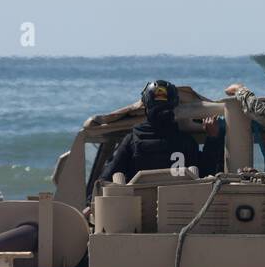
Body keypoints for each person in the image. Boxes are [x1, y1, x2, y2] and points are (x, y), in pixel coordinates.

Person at [91, 80, 221, 197]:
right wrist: (213, 138)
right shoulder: (186, 142)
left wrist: (89, 204)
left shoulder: (132, 141)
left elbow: (106, 180)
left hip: (136, 214)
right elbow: (206, 175)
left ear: (146, 107)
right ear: (173, 107)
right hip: (181, 211)